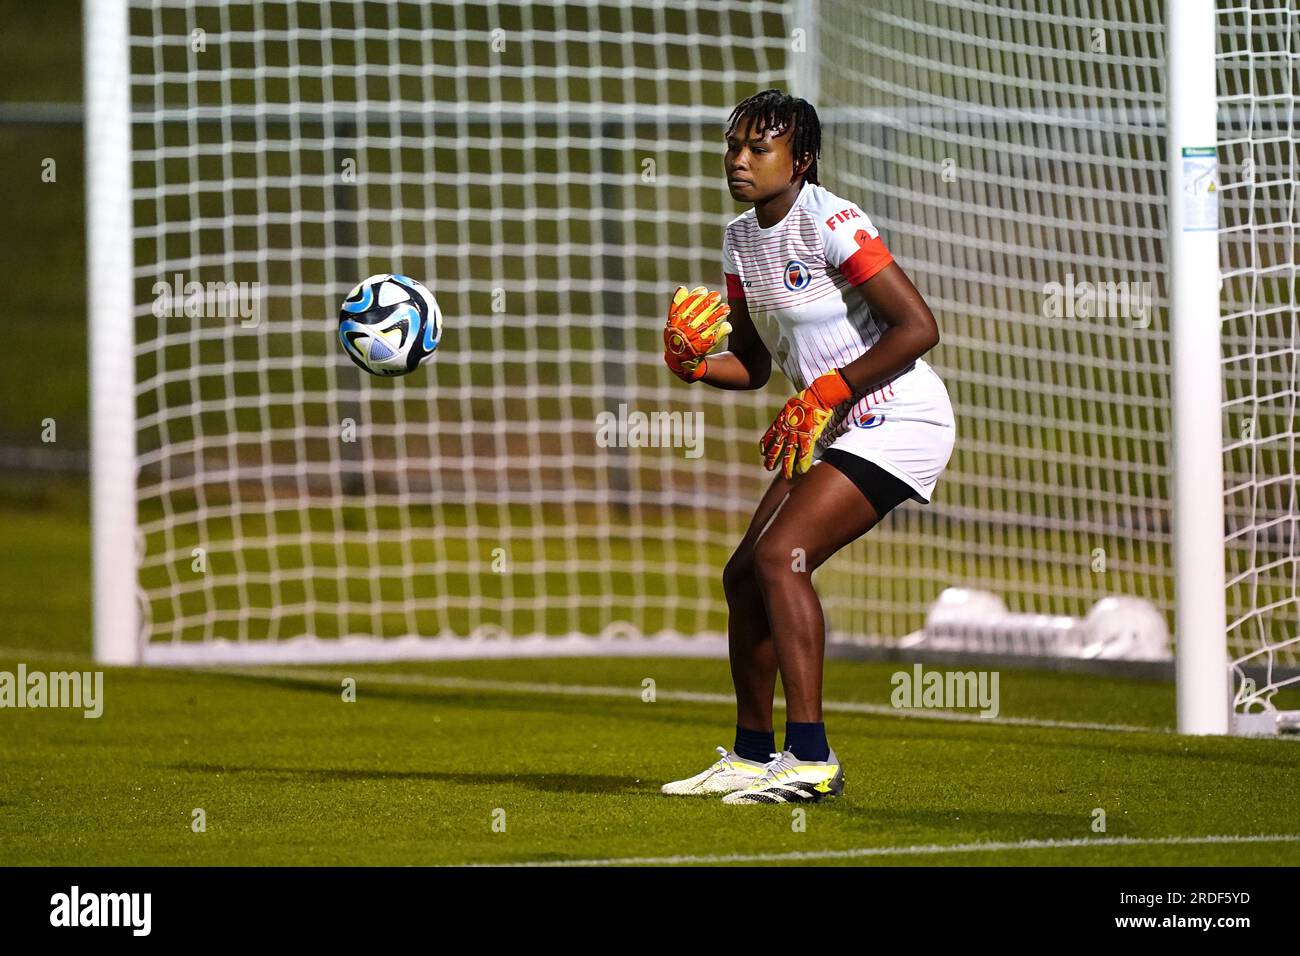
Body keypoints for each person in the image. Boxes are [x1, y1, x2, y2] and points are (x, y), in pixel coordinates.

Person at [660, 89, 956, 804]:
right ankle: (754, 755)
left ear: (802, 160)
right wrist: (695, 365)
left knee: (777, 556)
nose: (739, 159)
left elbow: (918, 328)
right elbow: (757, 368)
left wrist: (827, 391)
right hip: (837, 425)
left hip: (901, 416)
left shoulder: (833, 222)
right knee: (743, 578)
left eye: (758, 148)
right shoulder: (738, 240)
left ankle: (813, 757)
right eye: (734, 146)